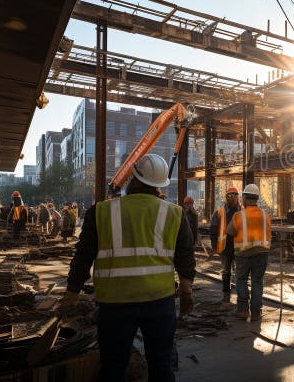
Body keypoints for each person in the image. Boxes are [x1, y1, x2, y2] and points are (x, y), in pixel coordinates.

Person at [59, 154, 195, 382]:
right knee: (161, 367)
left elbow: (83, 256)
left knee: (113, 368)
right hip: (159, 303)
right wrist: (187, 291)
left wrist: (72, 292)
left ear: (134, 178)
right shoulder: (174, 213)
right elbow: (185, 257)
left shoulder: (100, 212)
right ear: (160, 185)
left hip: (115, 304)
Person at [227, 184, 271, 321]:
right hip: (262, 253)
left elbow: (229, 232)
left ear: (245, 198)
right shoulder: (265, 215)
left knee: (241, 280)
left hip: (243, 255)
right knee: (257, 281)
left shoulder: (238, 216)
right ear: (257, 198)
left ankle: (243, 310)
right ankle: (256, 312)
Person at [210, 187, 241, 303]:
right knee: (226, 271)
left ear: (237, 196)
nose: (232, 196)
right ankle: (226, 294)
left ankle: (240, 295)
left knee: (239, 272)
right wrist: (214, 247)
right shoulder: (219, 212)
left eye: (234, 194)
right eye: (230, 194)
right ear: (226, 197)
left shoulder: (242, 211)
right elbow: (213, 230)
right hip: (225, 247)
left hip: (239, 247)